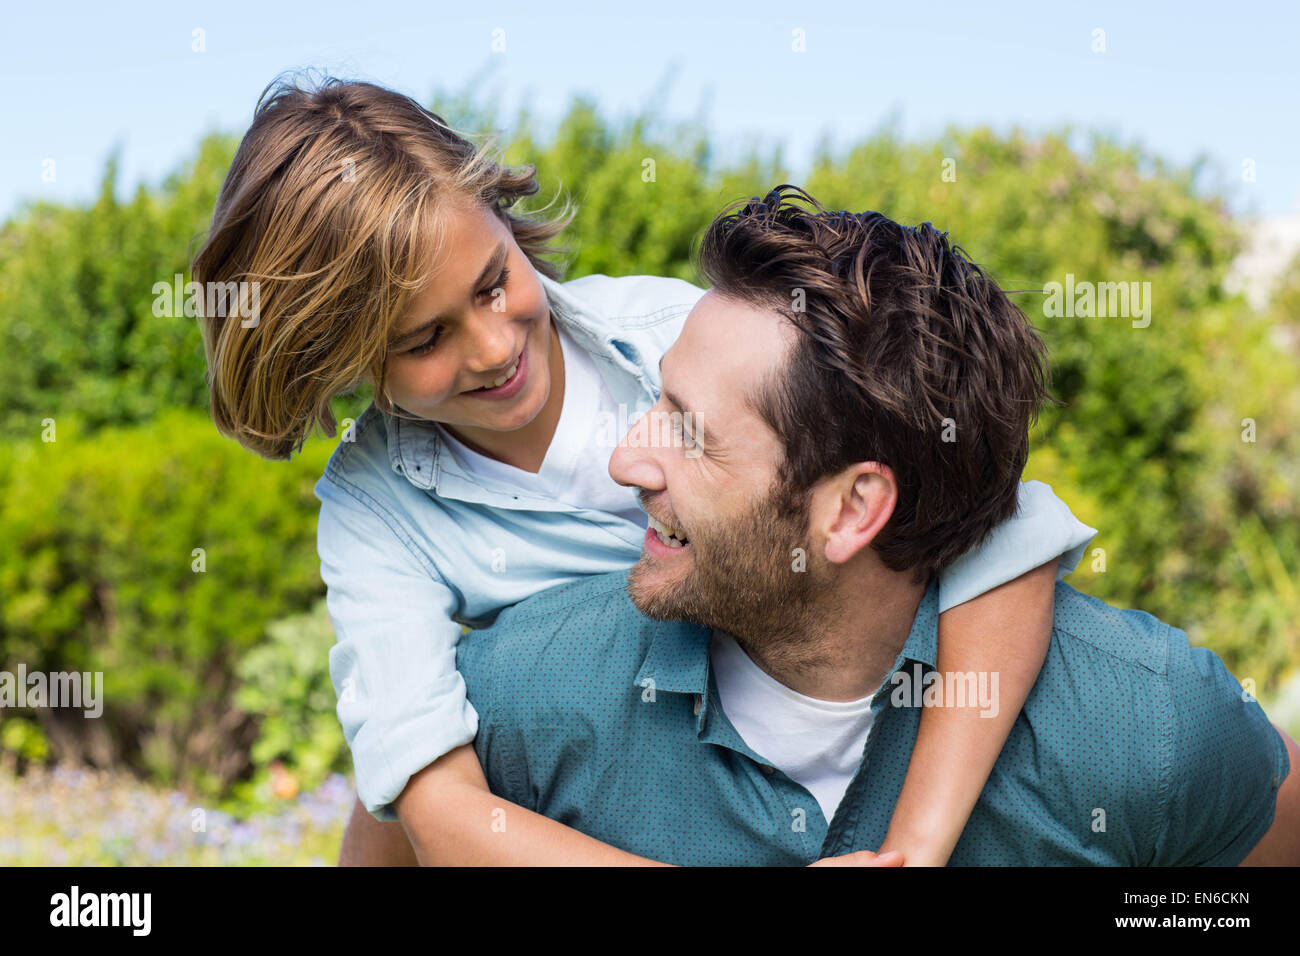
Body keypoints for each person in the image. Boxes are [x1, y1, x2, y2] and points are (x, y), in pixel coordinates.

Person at [194, 78, 1093, 866]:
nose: (496, 345)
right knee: (381, 798)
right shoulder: (374, 513)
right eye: (425, 339)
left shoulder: (678, 332)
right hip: (613, 794)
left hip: (796, 737)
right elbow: (443, 813)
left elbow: (1003, 527)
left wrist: (915, 849)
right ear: (340, 361)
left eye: (493, 280)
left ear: (503, 220)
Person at [449, 187, 1300, 865]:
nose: (627, 463)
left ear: (853, 509)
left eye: (691, 433)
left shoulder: (1147, 722)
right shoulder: (517, 696)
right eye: (655, 403)